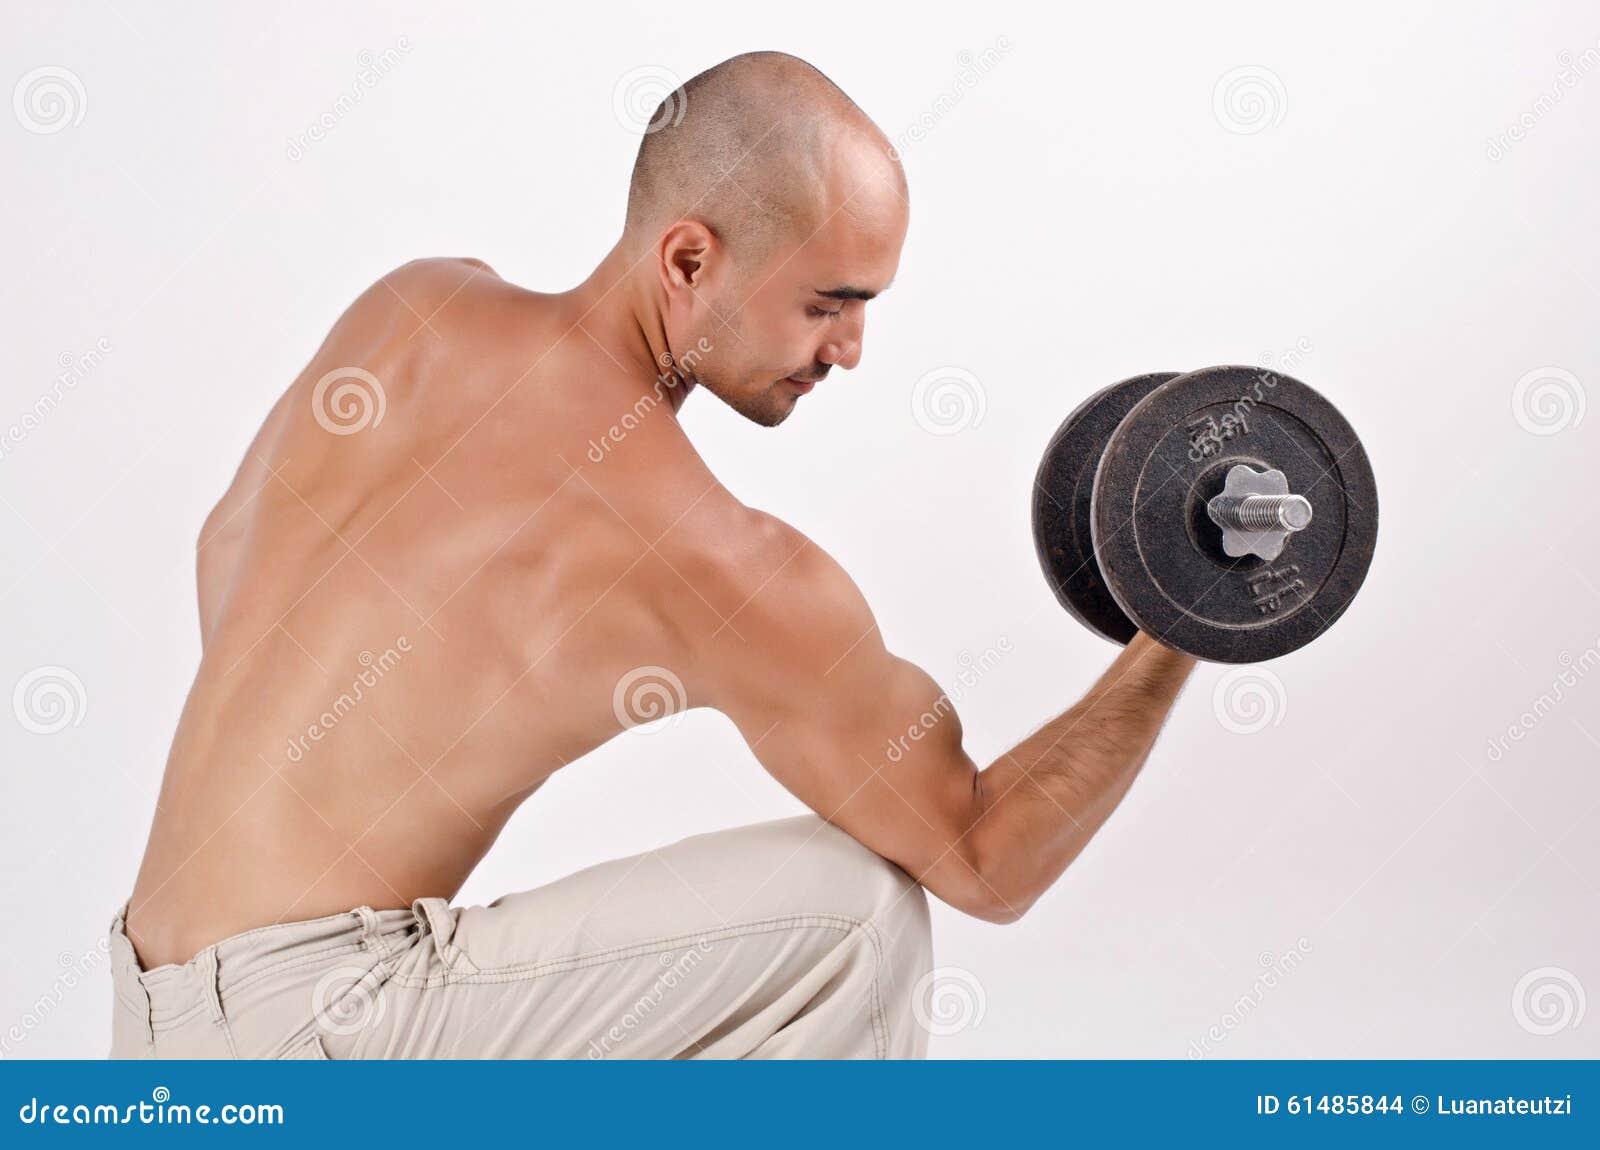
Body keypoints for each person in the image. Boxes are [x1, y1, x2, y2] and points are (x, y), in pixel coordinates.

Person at [110, 51, 1194, 1060]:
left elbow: (226, 550)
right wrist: (1191, 610)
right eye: (827, 305)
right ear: (688, 258)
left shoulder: (412, 307)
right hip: (330, 1032)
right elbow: (981, 856)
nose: (850, 352)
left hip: (145, 1010)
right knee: (854, 913)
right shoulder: (712, 558)